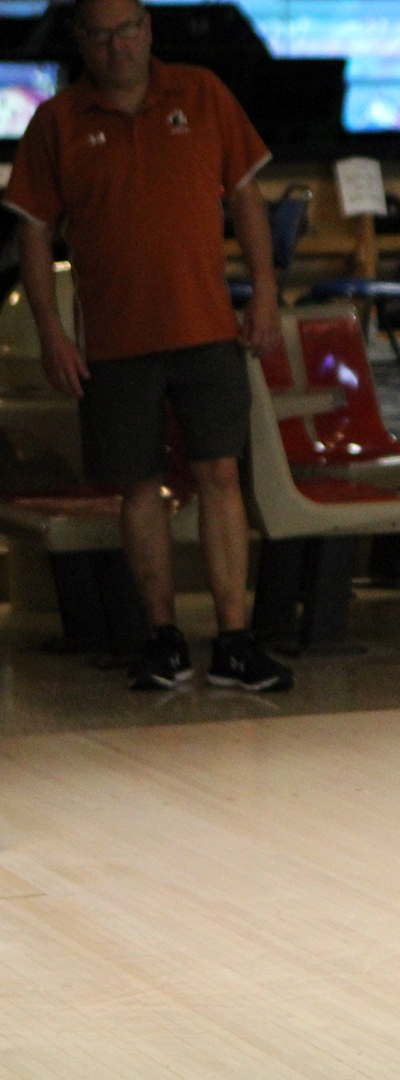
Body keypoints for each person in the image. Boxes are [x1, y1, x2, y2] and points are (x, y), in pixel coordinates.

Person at [5, 0, 293, 692]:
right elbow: (35, 233)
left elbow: (247, 198)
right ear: (79, 41)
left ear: (149, 29)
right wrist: (51, 331)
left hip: (207, 329)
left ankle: (233, 639)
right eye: (100, 35)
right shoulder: (58, 120)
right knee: (138, 488)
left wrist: (265, 290)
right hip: (114, 342)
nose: (117, 46)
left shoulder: (201, 92)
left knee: (222, 476)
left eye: (128, 29)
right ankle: (162, 638)